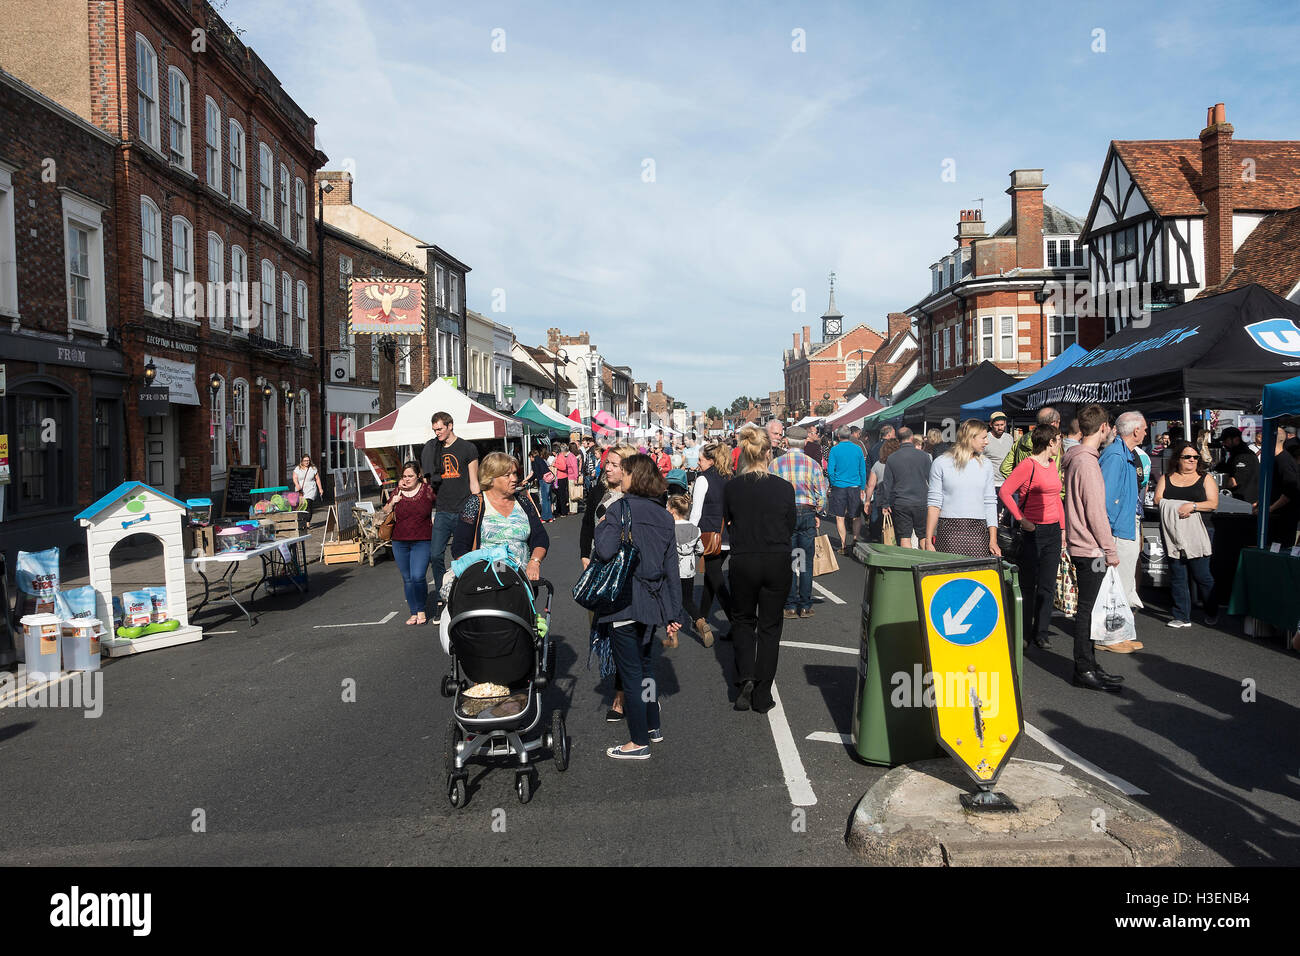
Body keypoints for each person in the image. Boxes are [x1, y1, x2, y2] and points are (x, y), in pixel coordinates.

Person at [592, 454, 685, 759]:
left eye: (626, 471)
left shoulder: (619, 509)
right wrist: (673, 612)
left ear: (634, 476)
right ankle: (652, 725)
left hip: (624, 599)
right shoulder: (663, 515)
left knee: (630, 671)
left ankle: (638, 741)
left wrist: (603, 525)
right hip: (654, 601)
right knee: (645, 667)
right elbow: (672, 568)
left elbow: (605, 552)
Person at [724, 427, 796, 713]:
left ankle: (745, 679)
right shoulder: (783, 487)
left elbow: (728, 521)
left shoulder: (732, 487)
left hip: (744, 559)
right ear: (768, 454)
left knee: (742, 621)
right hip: (776, 558)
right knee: (770, 626)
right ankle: (763, 692)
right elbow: (790, 524)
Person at [1062, 404, 1124, 692]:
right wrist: (1110, 550)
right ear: (1103, 428)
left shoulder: (1080, 458)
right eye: (1109, 427)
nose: (1110, 431)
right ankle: (1084, 668)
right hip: (1090, 547)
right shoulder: (1086, 462)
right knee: (1088, 611)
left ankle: (1089, 664)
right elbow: (1095, 512)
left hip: (1083, 544)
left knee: (1090, 610)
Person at [580, 443, 635, 719]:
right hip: (599, 569)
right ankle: (622, 687)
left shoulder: (637, 496)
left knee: (623, 633)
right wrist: (584, 557)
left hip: (625, 572)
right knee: (605, 633)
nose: (607, 467)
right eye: (607, 463)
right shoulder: (600, 491)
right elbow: (587, 525)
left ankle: (621, 697)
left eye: (614, 464)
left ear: (627, 467)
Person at [1000, 425, 1065, 650]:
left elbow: (1056, 497)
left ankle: (1042, 632)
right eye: (1058, 440)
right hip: (1033, 530)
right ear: (1049, 442)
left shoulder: (1051, 465)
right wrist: (1021, 519)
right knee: (1028, 584)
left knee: (1047, 585)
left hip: (1053, 530)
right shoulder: (1028, 465)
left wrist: (1063, 528)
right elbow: (1005, 492)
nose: (1060, 444)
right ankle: (1024, 632)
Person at [451, 451, 549, 581]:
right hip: (486, 583)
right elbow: (460, 547)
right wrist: (475, 575)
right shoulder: (475, 503)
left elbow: (540, 537)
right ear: (490, 478)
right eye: (507, 475)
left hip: (522, 582)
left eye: (515, 473)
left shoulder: (523, 502)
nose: (514, 479)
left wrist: (535, 562)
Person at [1154, 440, 1220, 628]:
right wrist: (1176, 506)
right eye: (1187, 457)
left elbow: (1213, 503)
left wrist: (1192, 506)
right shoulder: (1166, 478)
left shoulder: (1205, 478)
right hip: (1172, 530)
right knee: (1177, 573)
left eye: (1195, 457)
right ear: (1177, 459)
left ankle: (1212, 610)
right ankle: (1181, 615)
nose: (1192, 460)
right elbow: (1158, 499)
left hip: (1200, 530)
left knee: (1201, 575)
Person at [424, 412, 480, 613]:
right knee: (435, 555)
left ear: (450, 425)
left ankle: (464, 594)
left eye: (439, 429)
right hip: (442, 510)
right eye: (434, 430)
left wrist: (479, 506)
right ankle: (442, 595)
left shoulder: (467, 448)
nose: (437, 433)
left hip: (464, 509)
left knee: (463, 557)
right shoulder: (432, 448)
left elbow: (474, 481)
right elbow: (427, 479)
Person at [771, 425, 828, 618]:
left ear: (786, 441)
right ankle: (805, 604)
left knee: (787, 559)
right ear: (805, 442)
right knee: (804, 560)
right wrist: (817, 511)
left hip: (784, 514)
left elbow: (770, 491)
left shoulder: (776, 464)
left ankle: (789, 604)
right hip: (806, 512)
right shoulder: (813, 465)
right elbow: (822, 496)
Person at [924, 419, 1000, 557]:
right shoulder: (941, 463)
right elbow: (934, 503)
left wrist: (993, 540)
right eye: (983, 438)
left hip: (978, 531)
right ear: (970, 437)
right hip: (948, 530)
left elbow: (990, 501)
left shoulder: (986, 464)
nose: (987, 442)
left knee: (976, 576)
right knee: (949, 576)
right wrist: (928, 540)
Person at [1100, 411, 1148, 610]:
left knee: (1125, 583)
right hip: (1118, 531)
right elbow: (1106, 500)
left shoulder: (1125, 453)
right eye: (1144, 429)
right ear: (1136, 431)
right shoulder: (1116, 455)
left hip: (1126, 526)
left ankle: (1120, 634)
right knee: (1118, 585)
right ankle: (1113, 636)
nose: (1146, 433)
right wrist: (1108, 537)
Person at [688, 442, 733, 645]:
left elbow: (696, 512)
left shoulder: (703, 480)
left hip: (709, 535)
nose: (698, 464)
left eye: (701, 460)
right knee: (711, 577)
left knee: (716, 578)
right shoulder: (729, 478)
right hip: (727, 535)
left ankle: (737, 620)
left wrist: (686, 534)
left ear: (711, 460)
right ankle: (702, 616)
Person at [382, 461, 435, 626]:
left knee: (418, 576)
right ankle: (413, 612)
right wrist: (393, 501)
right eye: (404, 476)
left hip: (423, 540)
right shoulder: (398, 491)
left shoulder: (427, 490)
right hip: (400, 541)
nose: (407, 479)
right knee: (407, 579)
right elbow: (385, 510)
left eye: (410, 476)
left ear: (418, 475)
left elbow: (443, 502)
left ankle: (421, 609)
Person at [881, 426, 930, 548]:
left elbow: (887, 483)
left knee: (905, 536)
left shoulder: (892, 458)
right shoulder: (924, 456)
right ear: (912, 438)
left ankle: (907, 565)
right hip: (921, 501)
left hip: (901, 501)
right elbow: (931, 479)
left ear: (898, 439)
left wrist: (885, 503)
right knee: (923, 536)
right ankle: (927, 564)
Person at [668, 494, 703, 649]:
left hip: (673, 569)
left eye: (668, 506)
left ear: (674, 510)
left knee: (672, 599)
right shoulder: (695, 529)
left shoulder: (669, 529)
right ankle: (700, 621)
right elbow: (700, 549)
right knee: (687, 599)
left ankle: (673, 632)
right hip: (688, 569)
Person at [827, 425, 867, 555]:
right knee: (855, 516)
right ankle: (855, 539)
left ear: (838, 436)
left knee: (840, 517)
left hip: (839, 486)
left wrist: (833, 483)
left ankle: (843, 544)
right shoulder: (857, 449)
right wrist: (862, 486)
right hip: (855, 486)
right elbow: (862, 469)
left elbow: (830, 470)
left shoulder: (834, 449)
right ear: (850, 435)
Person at [1262, 426, 1300, 547]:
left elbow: (1290, 491)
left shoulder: (1284, 461)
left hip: (1284, 518)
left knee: (1278, 549)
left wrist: (1271, 508)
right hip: (1276, 516)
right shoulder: (1276, 459)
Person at [1001, 407, 1061, 478]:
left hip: (1026, 487)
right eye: (1059, 422)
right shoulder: (1051, 442)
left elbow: (1004, 468)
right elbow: (1055, 474)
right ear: (1054, 423)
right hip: (1048, 487)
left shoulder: (1022, 440)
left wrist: (1020, 484)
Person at [864, 437, 900, 543]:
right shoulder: (900, 464)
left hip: (881, 498)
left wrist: (867, 501)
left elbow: (871, 485)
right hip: (898, 498)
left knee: (883, 526)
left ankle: (880, 541)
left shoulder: (878, 464)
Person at [1219, 426, 1259, 506]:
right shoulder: (1236, 454)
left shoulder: (1243, 456)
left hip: (1244, 502)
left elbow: (1234, 482)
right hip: (1242, 500)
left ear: (1236, 439)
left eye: (1225, 440)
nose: (1223, 443)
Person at [984, 412, 1014, 488]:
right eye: (996, 425)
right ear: (991, 425)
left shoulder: (1009, 438)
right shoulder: (985, 439)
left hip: (1008, 482)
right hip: (991, 483)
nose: (1000, 428)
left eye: (1002, 425)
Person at [525, 445, 553, 522]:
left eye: (530, 457)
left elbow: (535, 474)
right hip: (549, 479)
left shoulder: (534, 462)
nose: (530, 459)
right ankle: (550, 517)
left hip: (543, 480)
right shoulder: (541, 459)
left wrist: (528, 480)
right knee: (548, 499)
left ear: (531, 456)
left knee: (544, 500)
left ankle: (544, 518)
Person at [291, 454, 323, 518]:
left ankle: (308, 522)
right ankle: (303, 520)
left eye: (308, 460)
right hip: (301, 490)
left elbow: (317, 479)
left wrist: (320, 488)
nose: (307, 462)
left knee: (308, 504)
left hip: (311, 489)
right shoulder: (298, 469)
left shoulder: (313, 469)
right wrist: (297, 485)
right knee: (302, 505)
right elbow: (294, 478)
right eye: (305, 461)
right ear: (302, 461)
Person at [551, 441, 573, 517]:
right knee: (560, 495)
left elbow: (563, 467)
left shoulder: (560, 457)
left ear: (554, 452)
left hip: (562, 478)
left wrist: (555, 465)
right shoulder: (559, 456)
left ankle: (563, 512)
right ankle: (560, 511)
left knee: (562, 495)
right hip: (561, 477)